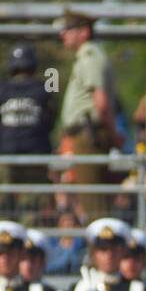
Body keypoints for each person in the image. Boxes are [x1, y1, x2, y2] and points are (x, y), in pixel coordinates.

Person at [58, 11, 120, 215]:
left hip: (89, 135)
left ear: (84, 32)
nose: (63, 35)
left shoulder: (90, 56)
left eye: (68, 30)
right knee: (88, 199)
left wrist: (112, 135)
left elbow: (101, 103)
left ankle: (101, 244)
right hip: (85, 134)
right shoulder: (87, 57)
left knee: (92, 201)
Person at [0, 43, 56, 200]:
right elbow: (51, 120)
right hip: (35, 157)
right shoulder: (44, 90)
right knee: (33, 205)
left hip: (5, 155)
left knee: (3, 206)